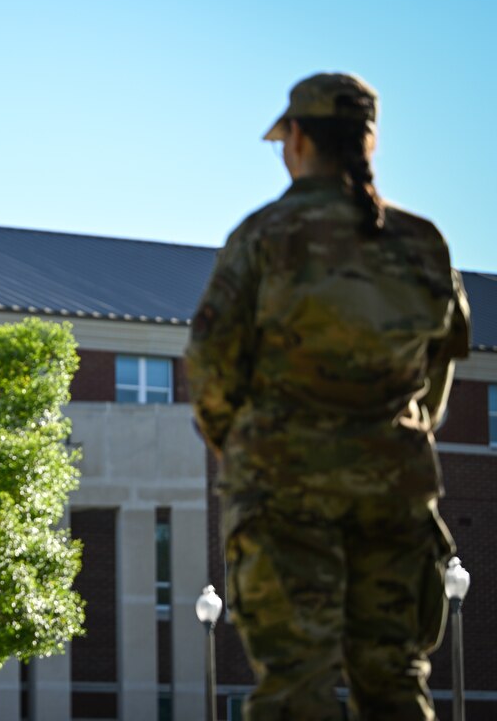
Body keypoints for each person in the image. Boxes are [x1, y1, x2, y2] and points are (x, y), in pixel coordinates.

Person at [186, 72, 471, 720]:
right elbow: (438, 371)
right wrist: (393, 434)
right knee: (395, 680)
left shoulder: (264, 236)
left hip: (284, 489)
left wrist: (250, 452)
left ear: (298, 139)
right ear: (367, 143)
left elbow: (210, 364)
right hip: (392, 489)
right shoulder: (423, 242)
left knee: (296, 684)